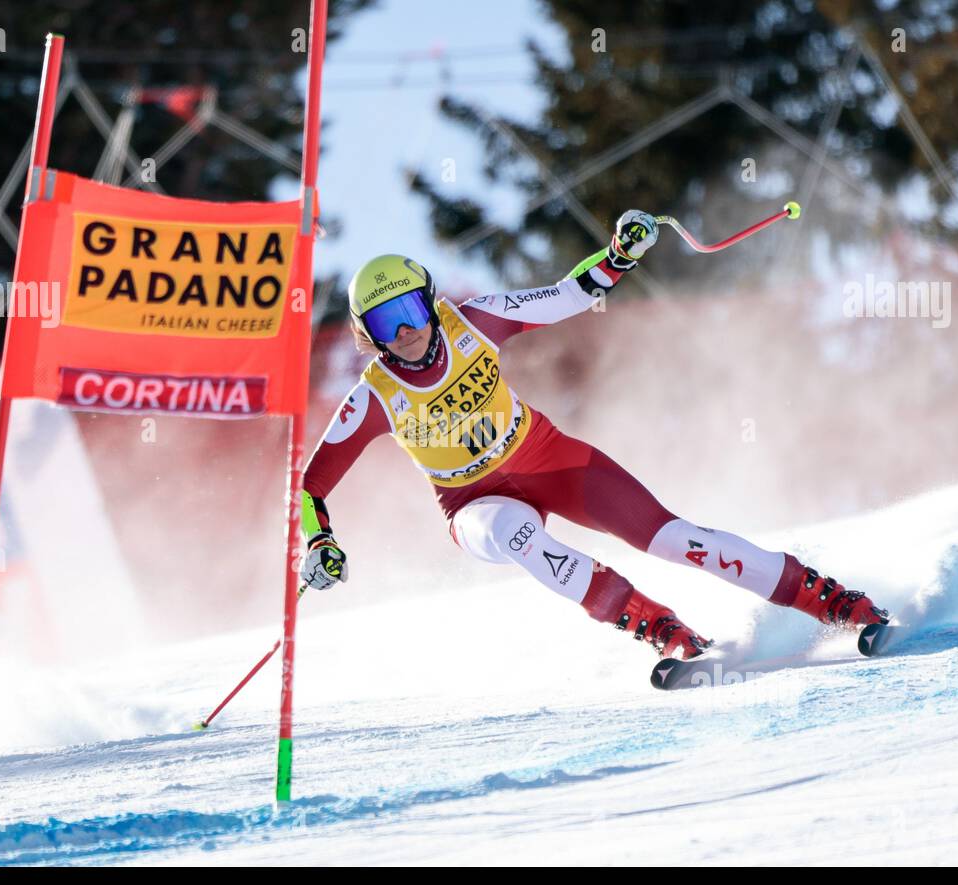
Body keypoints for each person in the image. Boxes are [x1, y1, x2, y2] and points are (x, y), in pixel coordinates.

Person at [298, 211, 887, 661]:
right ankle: (659, 625)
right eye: (383, 322)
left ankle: (834, 602)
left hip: (546, 455)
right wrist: (319, 544)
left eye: (410, 310)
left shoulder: (476, 320)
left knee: (673, 539)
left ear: (430, 304)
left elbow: (567, 296)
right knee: (516, 534)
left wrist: (619, 253)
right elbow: (312, 487)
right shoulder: (373, 395)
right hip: (471, 501)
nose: (403, 331)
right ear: (367, 336)